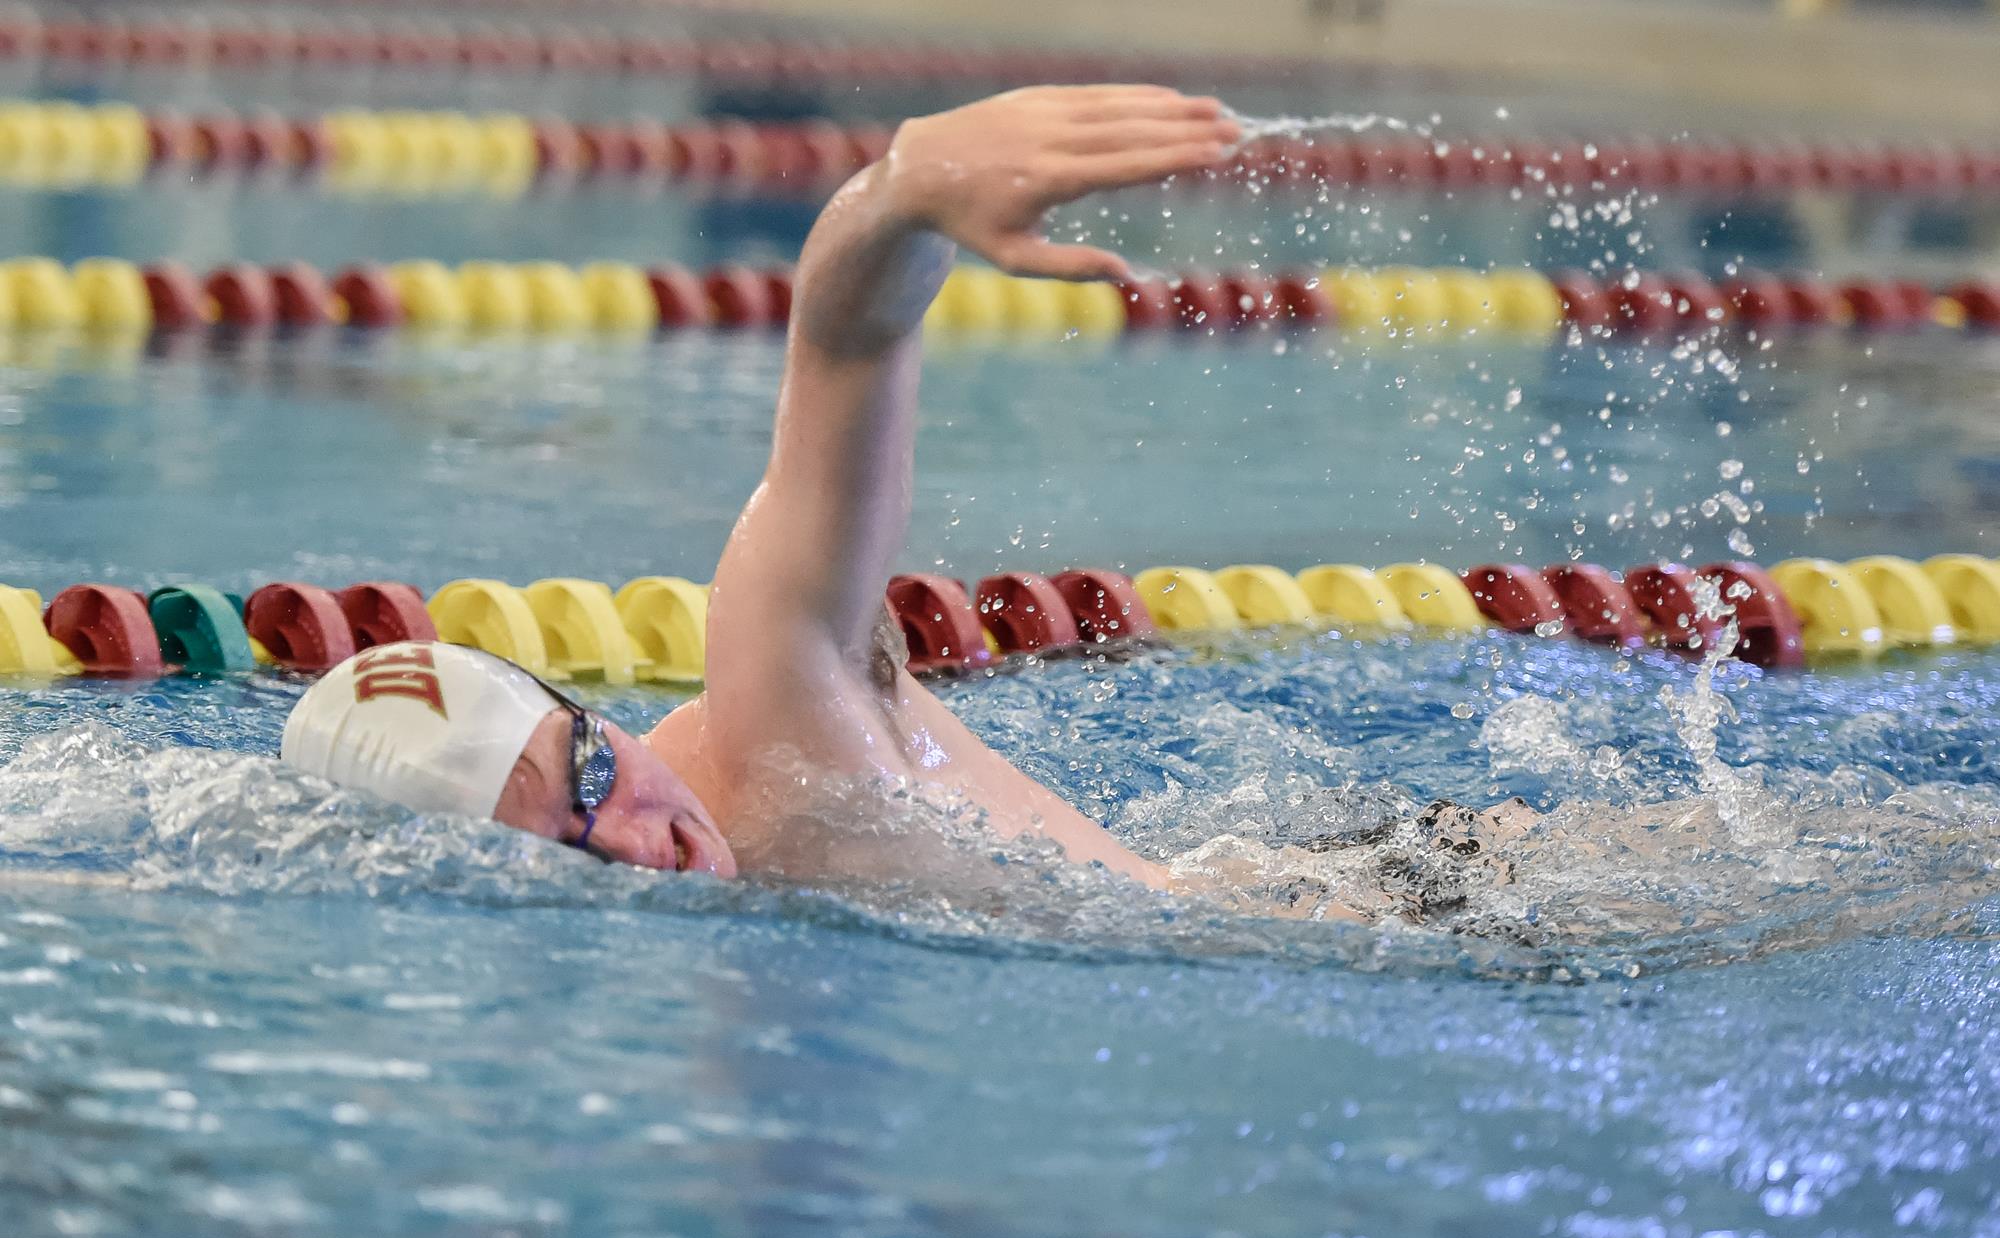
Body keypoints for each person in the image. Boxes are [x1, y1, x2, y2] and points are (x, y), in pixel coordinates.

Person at [283, 85, 1533, 915]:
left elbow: (838, 358)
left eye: (591, 781)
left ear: (587, 713)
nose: (627, 843)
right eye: (556, 858)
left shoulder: (774, 730)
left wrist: (899, 196)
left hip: (1415, 908)